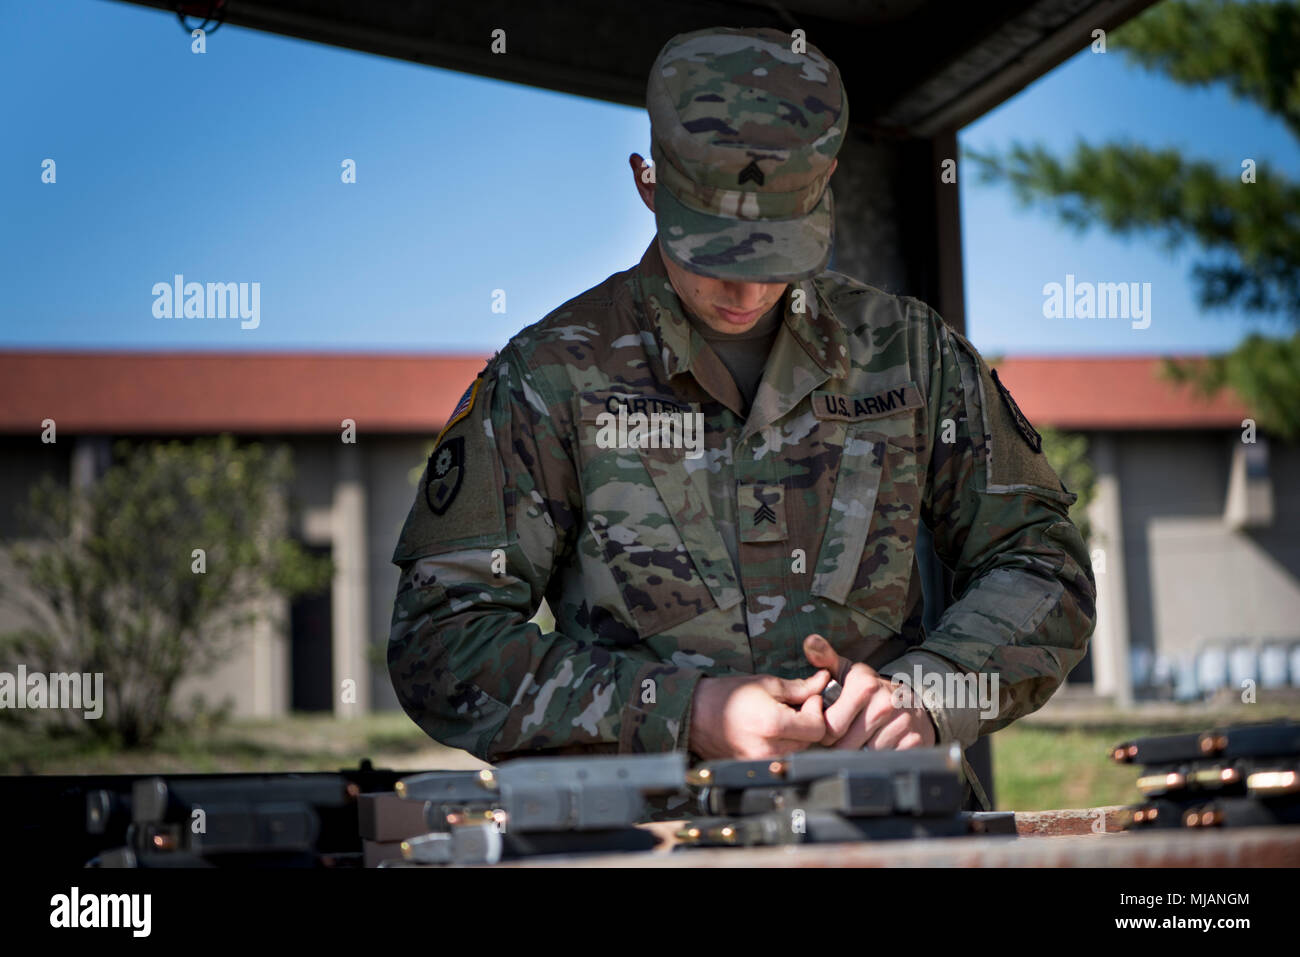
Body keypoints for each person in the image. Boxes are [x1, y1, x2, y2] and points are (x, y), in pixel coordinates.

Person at [388, 26, 1096, 806]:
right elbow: (441, 640)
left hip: (890, 832)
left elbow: (1045, 565)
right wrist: (682, 711)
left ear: (823, 197)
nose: (746, 291)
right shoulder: (552, 377)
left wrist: (933, 692)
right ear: (646, 183)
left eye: (776, 253)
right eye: (714, 253)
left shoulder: (907, 352)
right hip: (650, 847)